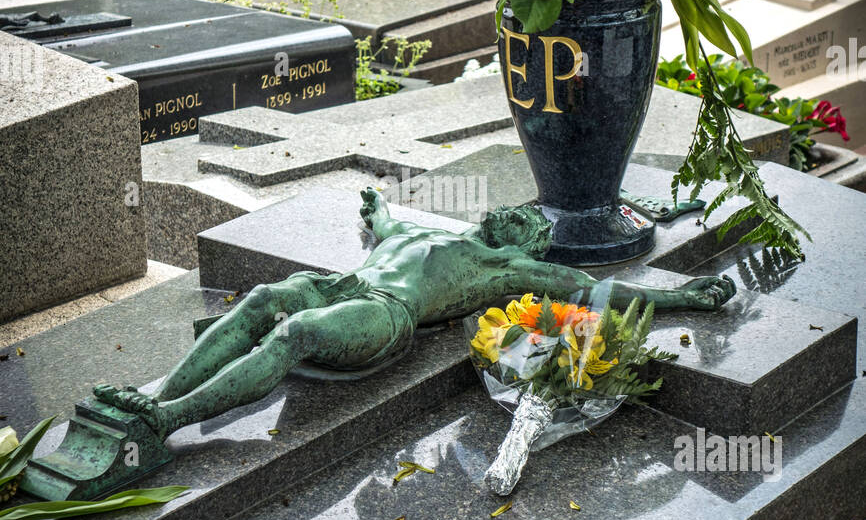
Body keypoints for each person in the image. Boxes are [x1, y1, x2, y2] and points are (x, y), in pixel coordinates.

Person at [95, 187, 734, 439]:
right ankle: (159, 392)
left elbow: (594, 288)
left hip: (384, 312)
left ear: (525, 246)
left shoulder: (504, 270)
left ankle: (172, 419)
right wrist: (374, 207)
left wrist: (682, 296)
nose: (521, 216)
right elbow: (385, 221)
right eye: (522, 212)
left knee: (292, 337)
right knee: (262, 299)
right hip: (341, 282)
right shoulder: (429, 232)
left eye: (531, 225)